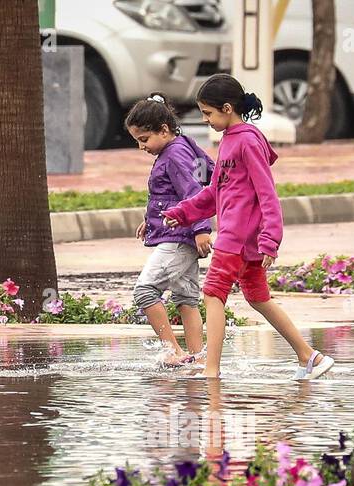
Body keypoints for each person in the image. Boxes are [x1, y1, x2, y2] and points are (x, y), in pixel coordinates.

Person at [163, 74, 334, 381]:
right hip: (238, 238)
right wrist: (182, 212)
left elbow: (268, 194)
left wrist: (270, 239)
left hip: (238, 239)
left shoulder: (248, 141)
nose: (205, 120)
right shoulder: (229, 140)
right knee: (257, 297)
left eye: (208, 113)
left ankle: (212, 371)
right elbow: (215, 193)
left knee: (213, 293)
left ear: (227, 108)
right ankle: (310, 356)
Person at [125, 92, 214, 366]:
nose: (142, 147)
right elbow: (169, 195)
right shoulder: (180, 147)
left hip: (179, 238)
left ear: (164, 130)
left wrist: (202, 228)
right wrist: (150, 220)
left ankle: (173, 350)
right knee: (186, 297)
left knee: (145, 291)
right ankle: (199, 358)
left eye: (144, 140)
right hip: (180, 234)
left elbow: (192, 191)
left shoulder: (174, 154)